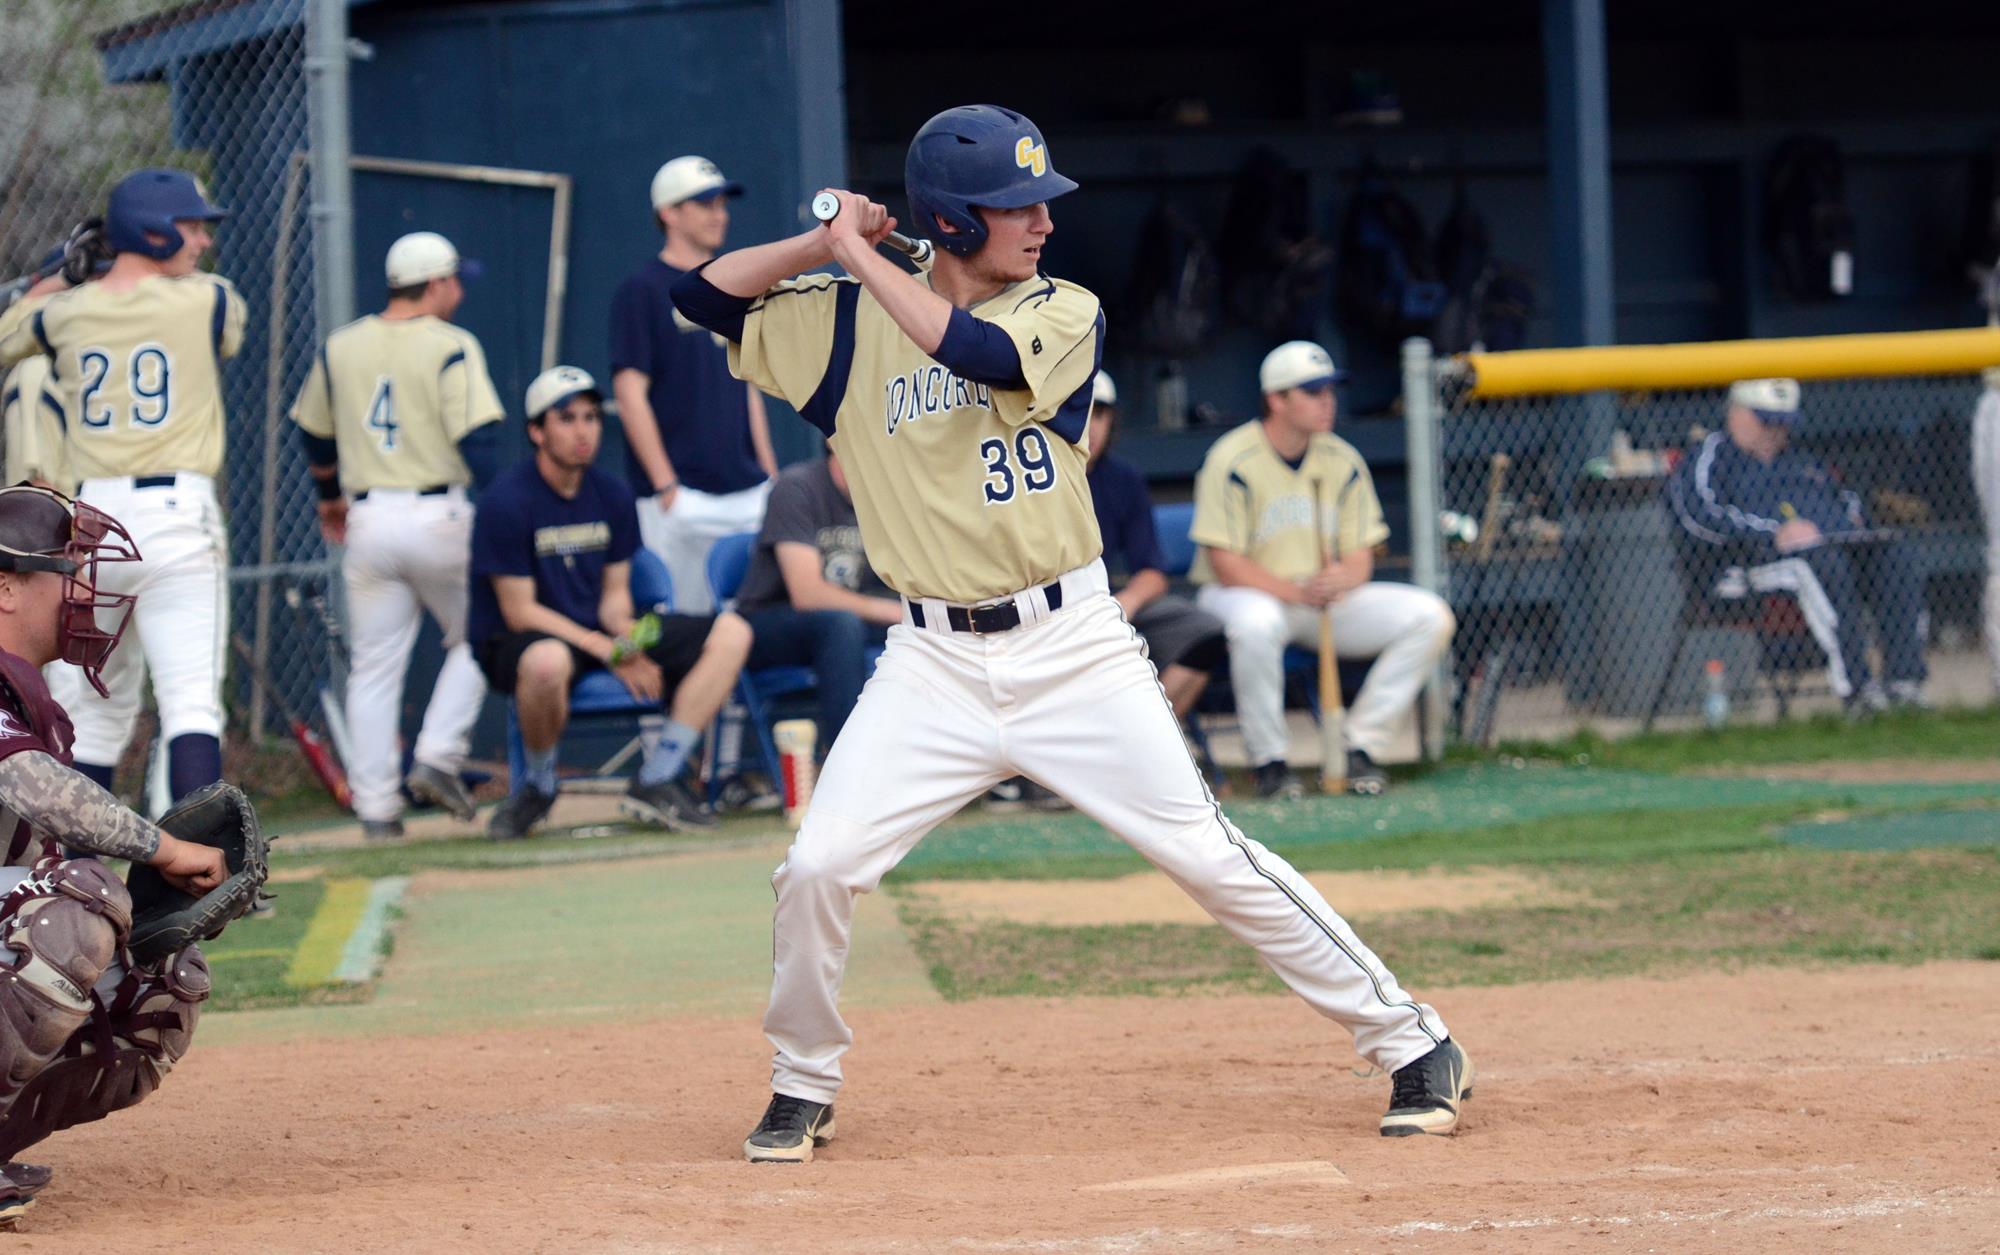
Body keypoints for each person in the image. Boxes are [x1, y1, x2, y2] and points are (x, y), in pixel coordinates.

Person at [673, 104, 1470, 1163]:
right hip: (930, 662)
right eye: (1014, 207)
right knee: (815, 866)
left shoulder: (1060, 308)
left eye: (1040, 203)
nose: (1041, 222)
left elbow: (969, 349)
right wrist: (826, 243)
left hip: (1071, 645)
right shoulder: (841, 315)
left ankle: (1415, 1040)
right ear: (951, 223)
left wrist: (863, 252)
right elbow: (697, 298)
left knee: (1208, 856)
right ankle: (802, 1078)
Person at [0, 483, 227, 1223]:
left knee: (158, 985)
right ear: (6, 587)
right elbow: (35, 789)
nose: (86, 592)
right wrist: (162, 848)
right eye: (68, 573)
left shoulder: (32, 698)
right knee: (73, 913)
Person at [0, 168, 241, 804]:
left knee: (97, 716)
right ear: (154, 233)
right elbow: (225, 333)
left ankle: (78, 879)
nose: (201, 241)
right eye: (190, 227)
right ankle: (196, 880)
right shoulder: (209, 298)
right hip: (176, 513)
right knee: (191, 703)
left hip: (93, 526)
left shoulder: (64, 312)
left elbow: (6, 335)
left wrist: (61, 278)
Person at [470, 366, 752, 841]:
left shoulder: (612, 494)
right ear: (537, 432)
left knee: (734, 632)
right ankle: (538, 785)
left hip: (597, 634)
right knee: (545, 662)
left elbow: (614, 601)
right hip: (526, 640)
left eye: (591, 417)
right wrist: (607, 650)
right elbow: (520, 612)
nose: (583, 430)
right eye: (567, 419)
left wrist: (627, 642)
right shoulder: (505, 502)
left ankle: (658, 777)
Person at [290, 232, 505, 840]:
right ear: (435, 283)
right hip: (439, 514)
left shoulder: (343, 345)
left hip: (369, 520)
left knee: (374, 668)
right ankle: (438, 755)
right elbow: (477, 442)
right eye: (454, 279)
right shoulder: (451, 344)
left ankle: (377, 808)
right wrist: (503, 510)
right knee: (483, 634)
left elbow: (314, 434)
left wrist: (329, 498)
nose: (458, 291)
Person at [1191, 341, 1456, 799]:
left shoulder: (1341, 458)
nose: (1327, 401)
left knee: (1429, 616)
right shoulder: (1231, 457)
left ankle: (1359, 747)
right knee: (1257, 625)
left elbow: (1362, 552)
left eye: (1329, 390)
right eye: (1313, 392)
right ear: (1277, 399)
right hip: (1243, 594)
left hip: (1318, 599)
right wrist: (1295, 594)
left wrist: (1345, 578)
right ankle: (1269, 761)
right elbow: (1225, 562)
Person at [1667, 377, 1927, 714]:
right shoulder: (1710, 457)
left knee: (1895, 556)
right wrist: (1773, 533)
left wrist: (1851, 531)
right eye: (1766, 421)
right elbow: (1698, 518)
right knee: (1817, 564)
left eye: (1783, 424)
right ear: (1737, 414)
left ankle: (1904, 683)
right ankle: (1859, 691)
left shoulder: (1802, 461)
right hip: (1739, 568)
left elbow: (1848, 504)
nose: (1776, 432)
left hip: (1827, 553)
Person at [610, 155, 778, 613]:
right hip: (681, 497)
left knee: (752, 626)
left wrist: (768, 471)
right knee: (683, 629)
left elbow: (748, 380)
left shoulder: (733, 283)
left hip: (747, 491)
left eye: (721, 202)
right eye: (704, 203)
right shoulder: (641, 290)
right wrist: (667, 487)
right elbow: (629, 393)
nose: (719, 213)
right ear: (669, 212)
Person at [731, 447, 895, 752]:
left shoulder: (886, 495)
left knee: (936, 625)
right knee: (842, 625)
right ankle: (850, 764)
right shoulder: (796, 487)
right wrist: (888, 610)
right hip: (767, 623)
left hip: (847, 623)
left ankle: (972, 766)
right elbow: (806, 594)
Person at [1086, 370, 1227, 720]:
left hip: (1108, 606)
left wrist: (1126, 603)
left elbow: (1152, 570)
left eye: (1100, 413)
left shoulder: (1123, 478)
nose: (1090, 424)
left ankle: (1144, 739)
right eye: (1079, 409)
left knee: (1204, 632)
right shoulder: (1035, 474)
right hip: (1049, 615)